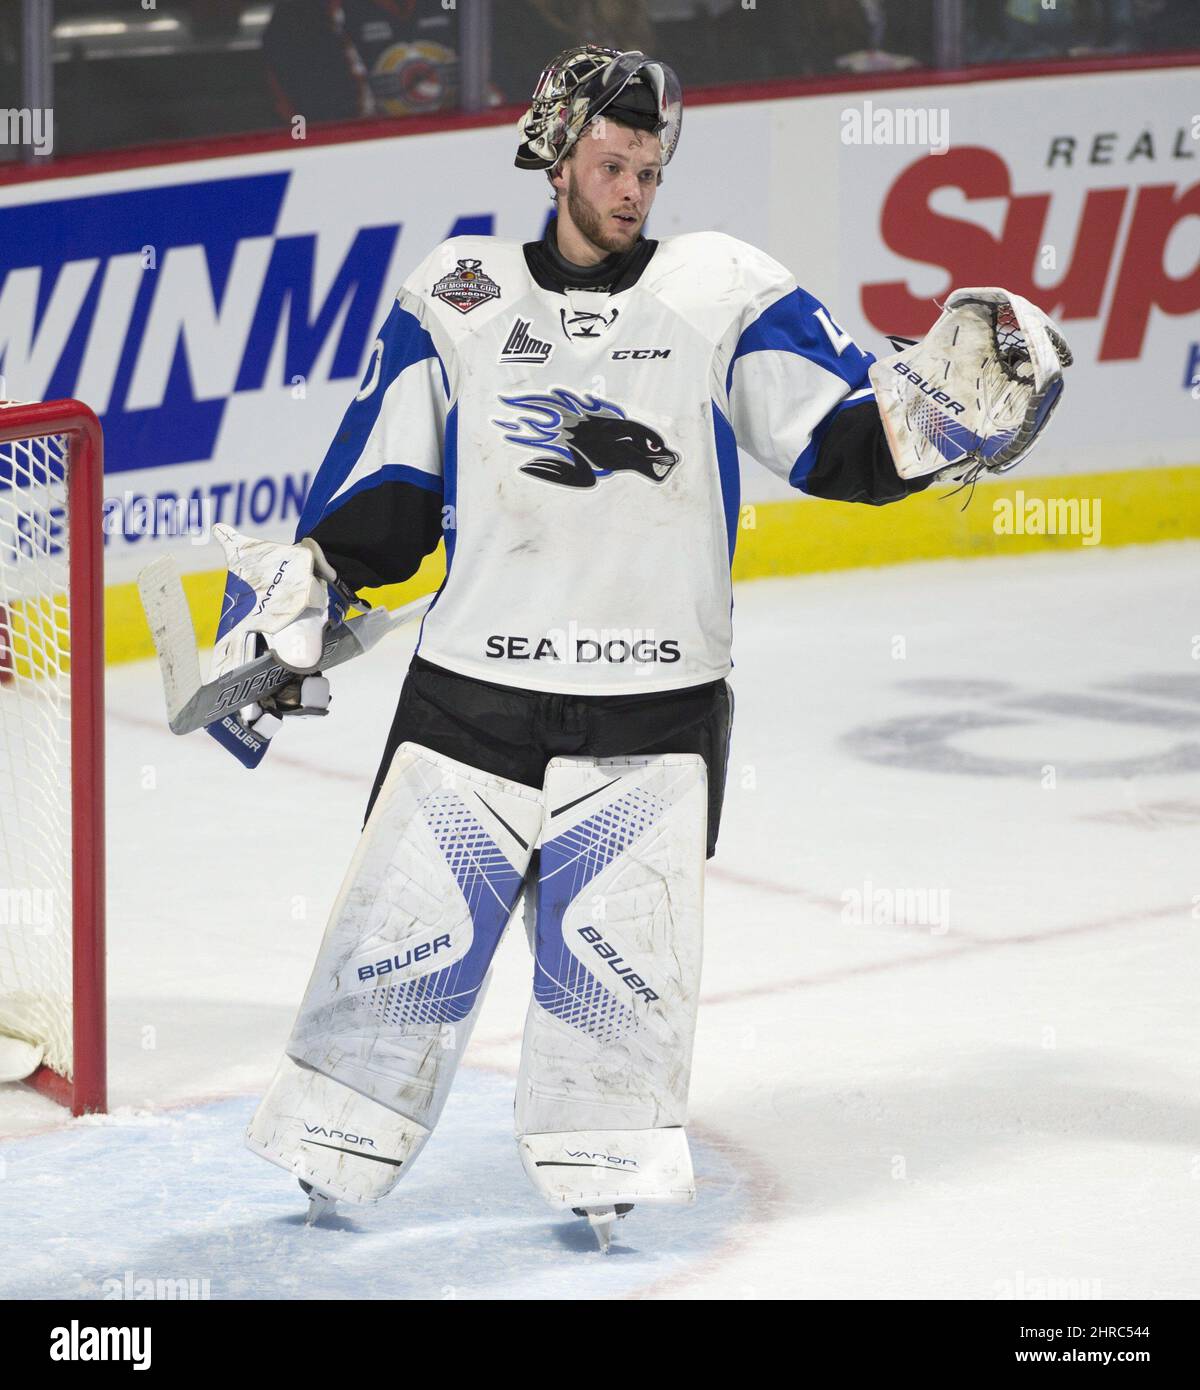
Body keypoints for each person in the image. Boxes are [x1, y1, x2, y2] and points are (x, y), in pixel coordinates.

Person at [219, 45, 1071, 1248]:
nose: (632, 189)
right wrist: (304, 589)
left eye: (649, 168)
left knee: (618, 985)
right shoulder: (456, 293)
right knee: (393, 954)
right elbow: (386, 494)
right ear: (556, 158)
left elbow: (836, 437)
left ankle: (602, 1168)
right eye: (612, 163)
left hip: (655, 708)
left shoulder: (722, 287)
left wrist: (929, 418)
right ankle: (334, 1141)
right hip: (473, 698)